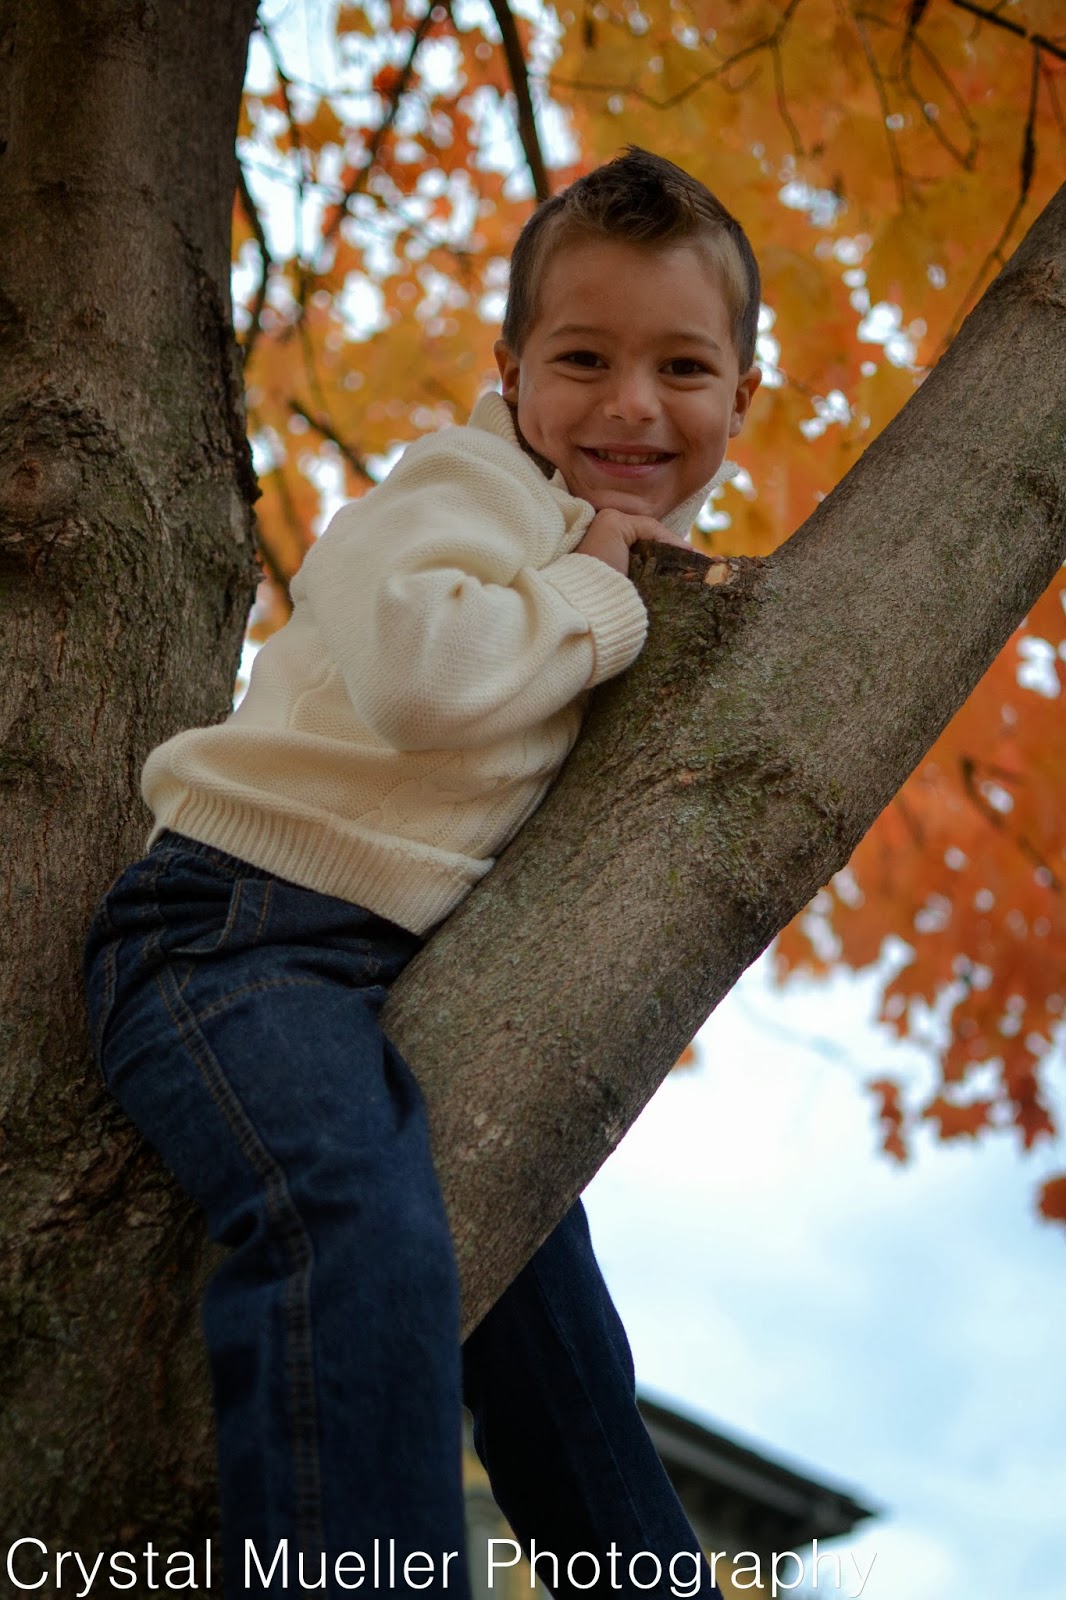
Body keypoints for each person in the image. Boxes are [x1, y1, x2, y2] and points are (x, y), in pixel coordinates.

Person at [83, 147, 762, 1598]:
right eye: (582, 358)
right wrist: (588, 587)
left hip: (397, 987)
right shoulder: (468, 486)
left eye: (682, 367)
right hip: (230, 936)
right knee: (355, 1231)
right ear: (509, 376)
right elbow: (423, 680)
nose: (632, 405)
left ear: (741, 398)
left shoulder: (615, 563)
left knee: (566, 1355)